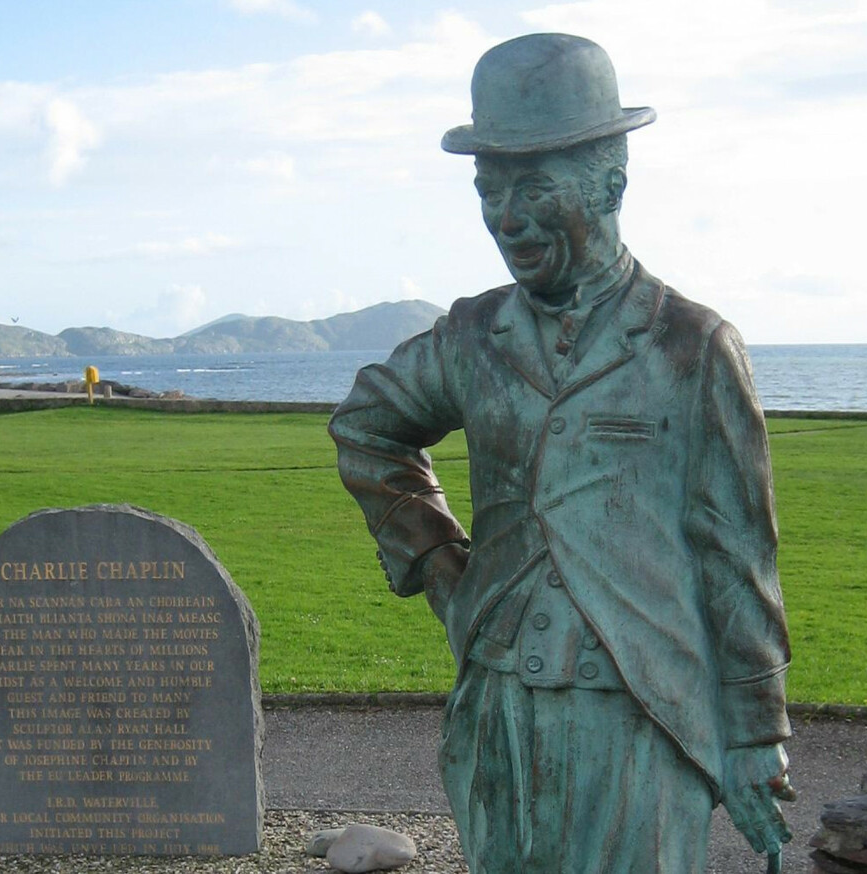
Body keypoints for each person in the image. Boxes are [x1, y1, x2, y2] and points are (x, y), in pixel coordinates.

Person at [329, 32, 794, 874]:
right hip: (498, 710)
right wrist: (440, 566)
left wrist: (757, 732)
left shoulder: (691, 347)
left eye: (534, 187)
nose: (507, 217)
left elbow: (737, 557)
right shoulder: (471, 336)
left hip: (637, 719)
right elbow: (368, 428)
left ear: (611, 181)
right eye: (490, 189)